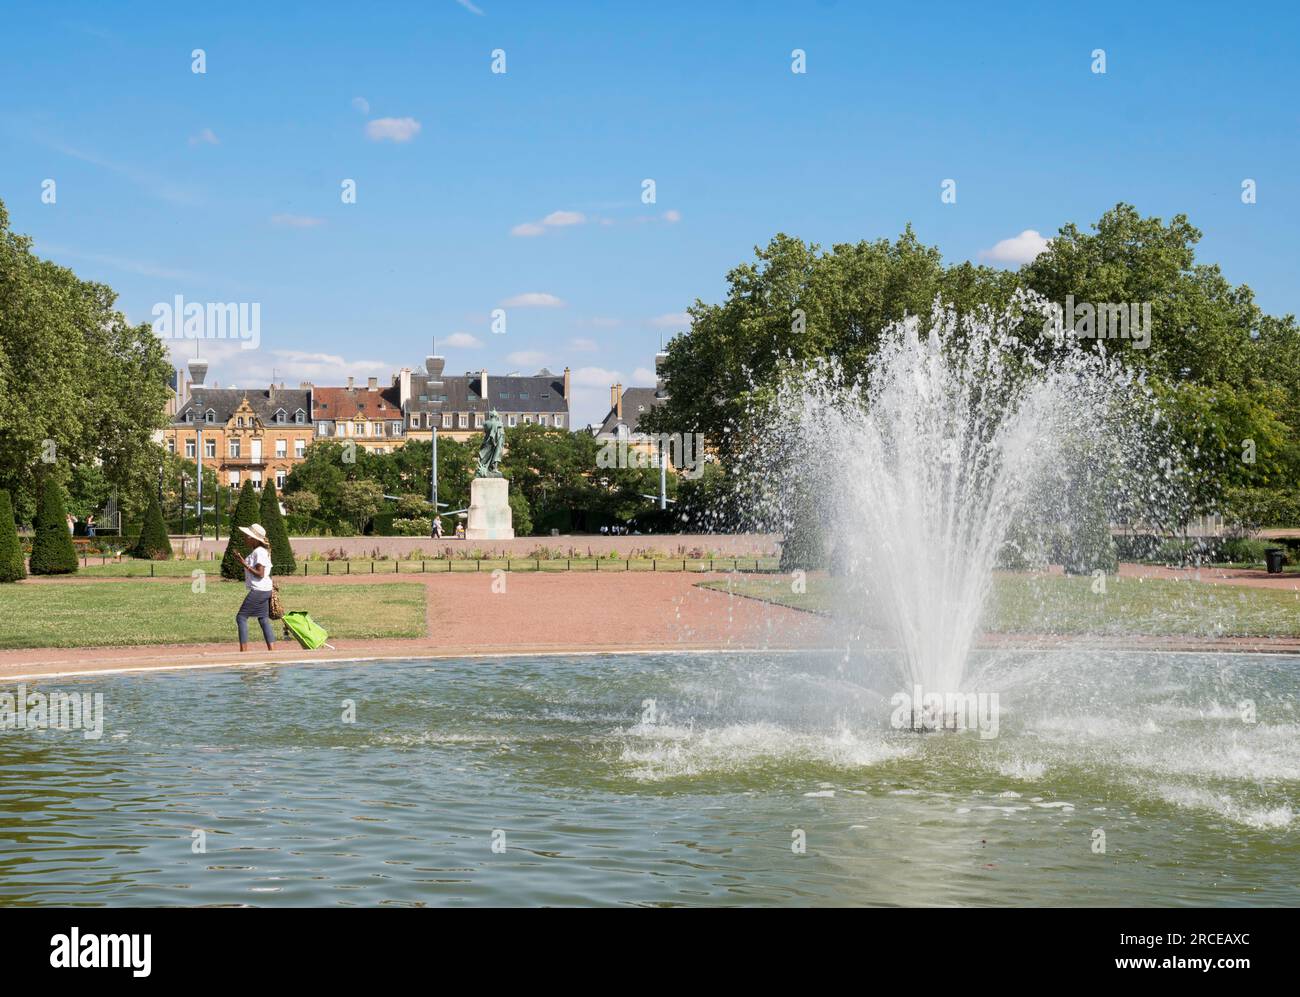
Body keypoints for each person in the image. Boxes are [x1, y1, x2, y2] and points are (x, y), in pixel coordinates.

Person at [236, 523, 275, 652]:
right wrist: (243, 561)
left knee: (241, 617)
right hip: (264, 590)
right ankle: (272, 651)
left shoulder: (259, 552)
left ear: (253, 539)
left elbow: (260, 574)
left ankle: (244, 652)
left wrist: (244, 564)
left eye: (247, 535)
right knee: (263, 619)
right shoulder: (259, 551)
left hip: (259, 590)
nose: (245, 537)